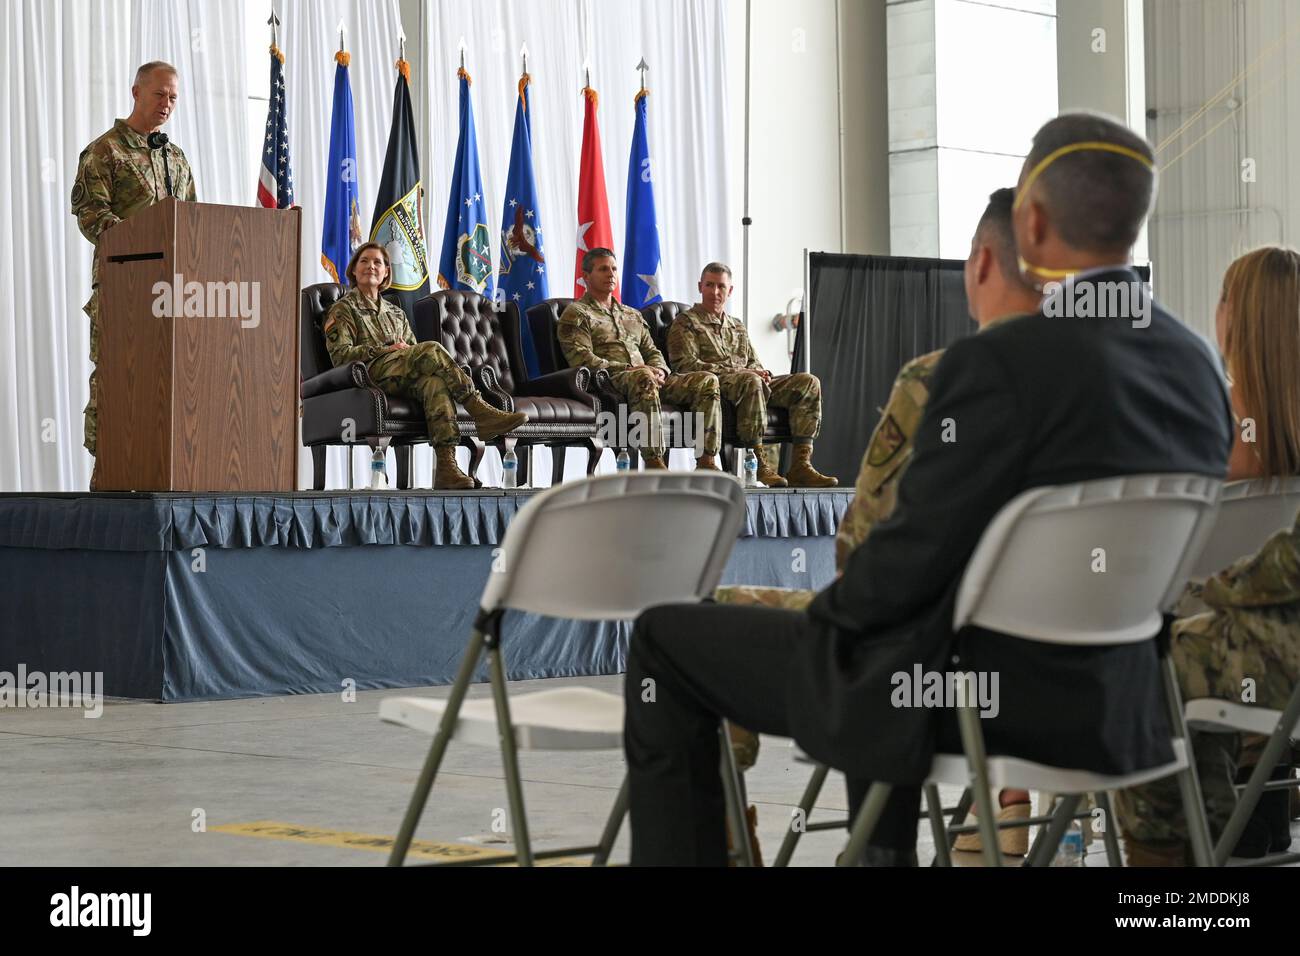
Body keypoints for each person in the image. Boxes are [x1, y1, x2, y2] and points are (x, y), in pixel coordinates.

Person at [622, 111, 1232, 866]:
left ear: (1032, 220)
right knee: (887, 633)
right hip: (1126, 705)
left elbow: (905, 566)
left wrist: (830, 620)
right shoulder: (1199, 370)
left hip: (970, 702)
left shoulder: (999, 363)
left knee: (667, 640)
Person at [715, 188, 1043, 857]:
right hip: (1082, 687)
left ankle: (726, 838)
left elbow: (861, 549)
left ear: (981, 264)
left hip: (934, 671)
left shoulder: (939, 382)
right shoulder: (1132, 390)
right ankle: (1005, 800)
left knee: (715, 619)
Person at [1116, 246, 1300, 865]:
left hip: (1208, 644)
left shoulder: (1199, 416)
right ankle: (1261, 786)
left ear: (1234, 317)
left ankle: (1195, 831)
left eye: (1223, 299)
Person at [72, 61, 198, 490]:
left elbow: (193, 222)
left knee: (171, 384)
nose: (167, 104)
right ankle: (109, 481)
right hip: (124, 290)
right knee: (118, 382)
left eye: (174, 97)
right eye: (160, 94)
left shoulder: (175, 158)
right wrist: (140, 239)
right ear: (137, 92)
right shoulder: (104, 151)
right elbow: (92, 217)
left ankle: (167, 478)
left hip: (175, 294)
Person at [323, 242, 527, 489]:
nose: (371, 267)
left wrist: (404, 353)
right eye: (364, 261)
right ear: (353, 270)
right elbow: (341, 357)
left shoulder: (395, 313)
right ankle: (479, 409)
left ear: (387, 272)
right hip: (368, 376)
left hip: (399, 374)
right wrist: (383, 350)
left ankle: (446, 467)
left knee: (435, 383)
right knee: (431, 348)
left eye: (378, 262)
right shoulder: (343, 309)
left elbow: (413, 351)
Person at [667, 264, 836, 487]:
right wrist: (742, 372)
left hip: (749, 382)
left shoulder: (736, 326)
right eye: (709, 285)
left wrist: (763, 373)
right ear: (700, 286)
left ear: (730, 291)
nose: (715, 292)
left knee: (808, 382)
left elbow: (753, 362)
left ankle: (801, 466)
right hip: (716, 384)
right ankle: (758, 463)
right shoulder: (686, 322)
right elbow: (686, 366)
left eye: (721, 286)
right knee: (751, 380)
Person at [558, 249, 722, 470]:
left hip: (649, 377)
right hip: (609, 381)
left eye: (614, 268)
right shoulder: (577, 313)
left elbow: (651, 350)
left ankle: (706, 460)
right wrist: (631, 368)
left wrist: (661, 370)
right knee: (642, 375)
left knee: (708, 380)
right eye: (603, 269)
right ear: (586, 276)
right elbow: (582, 359)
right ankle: (654, 461)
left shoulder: (632, 314)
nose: (611, 274)